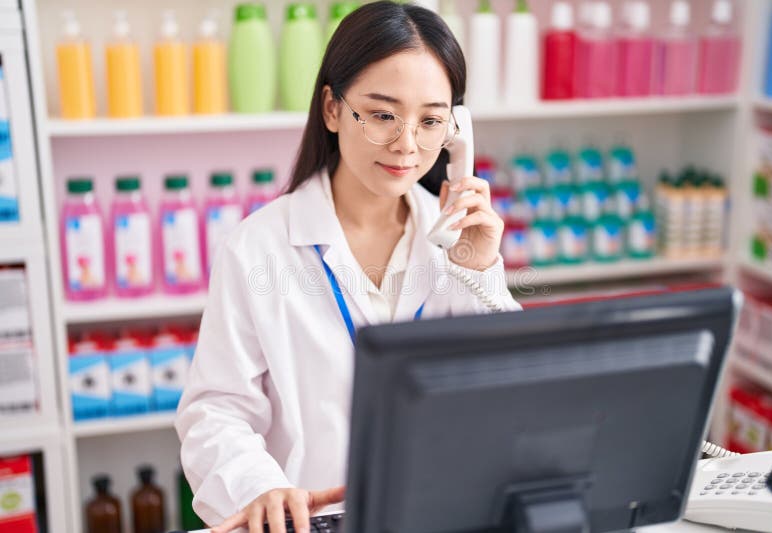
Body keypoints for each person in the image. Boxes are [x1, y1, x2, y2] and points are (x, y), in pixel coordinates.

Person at [175, 3, 521, 532]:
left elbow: (514, 393)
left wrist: (480, 270)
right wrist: (259, 486)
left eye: (430, 120)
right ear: (333, 109)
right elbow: (216, 412)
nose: (407, 144)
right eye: (383, 114)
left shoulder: (456, 245)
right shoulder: (258, 249)